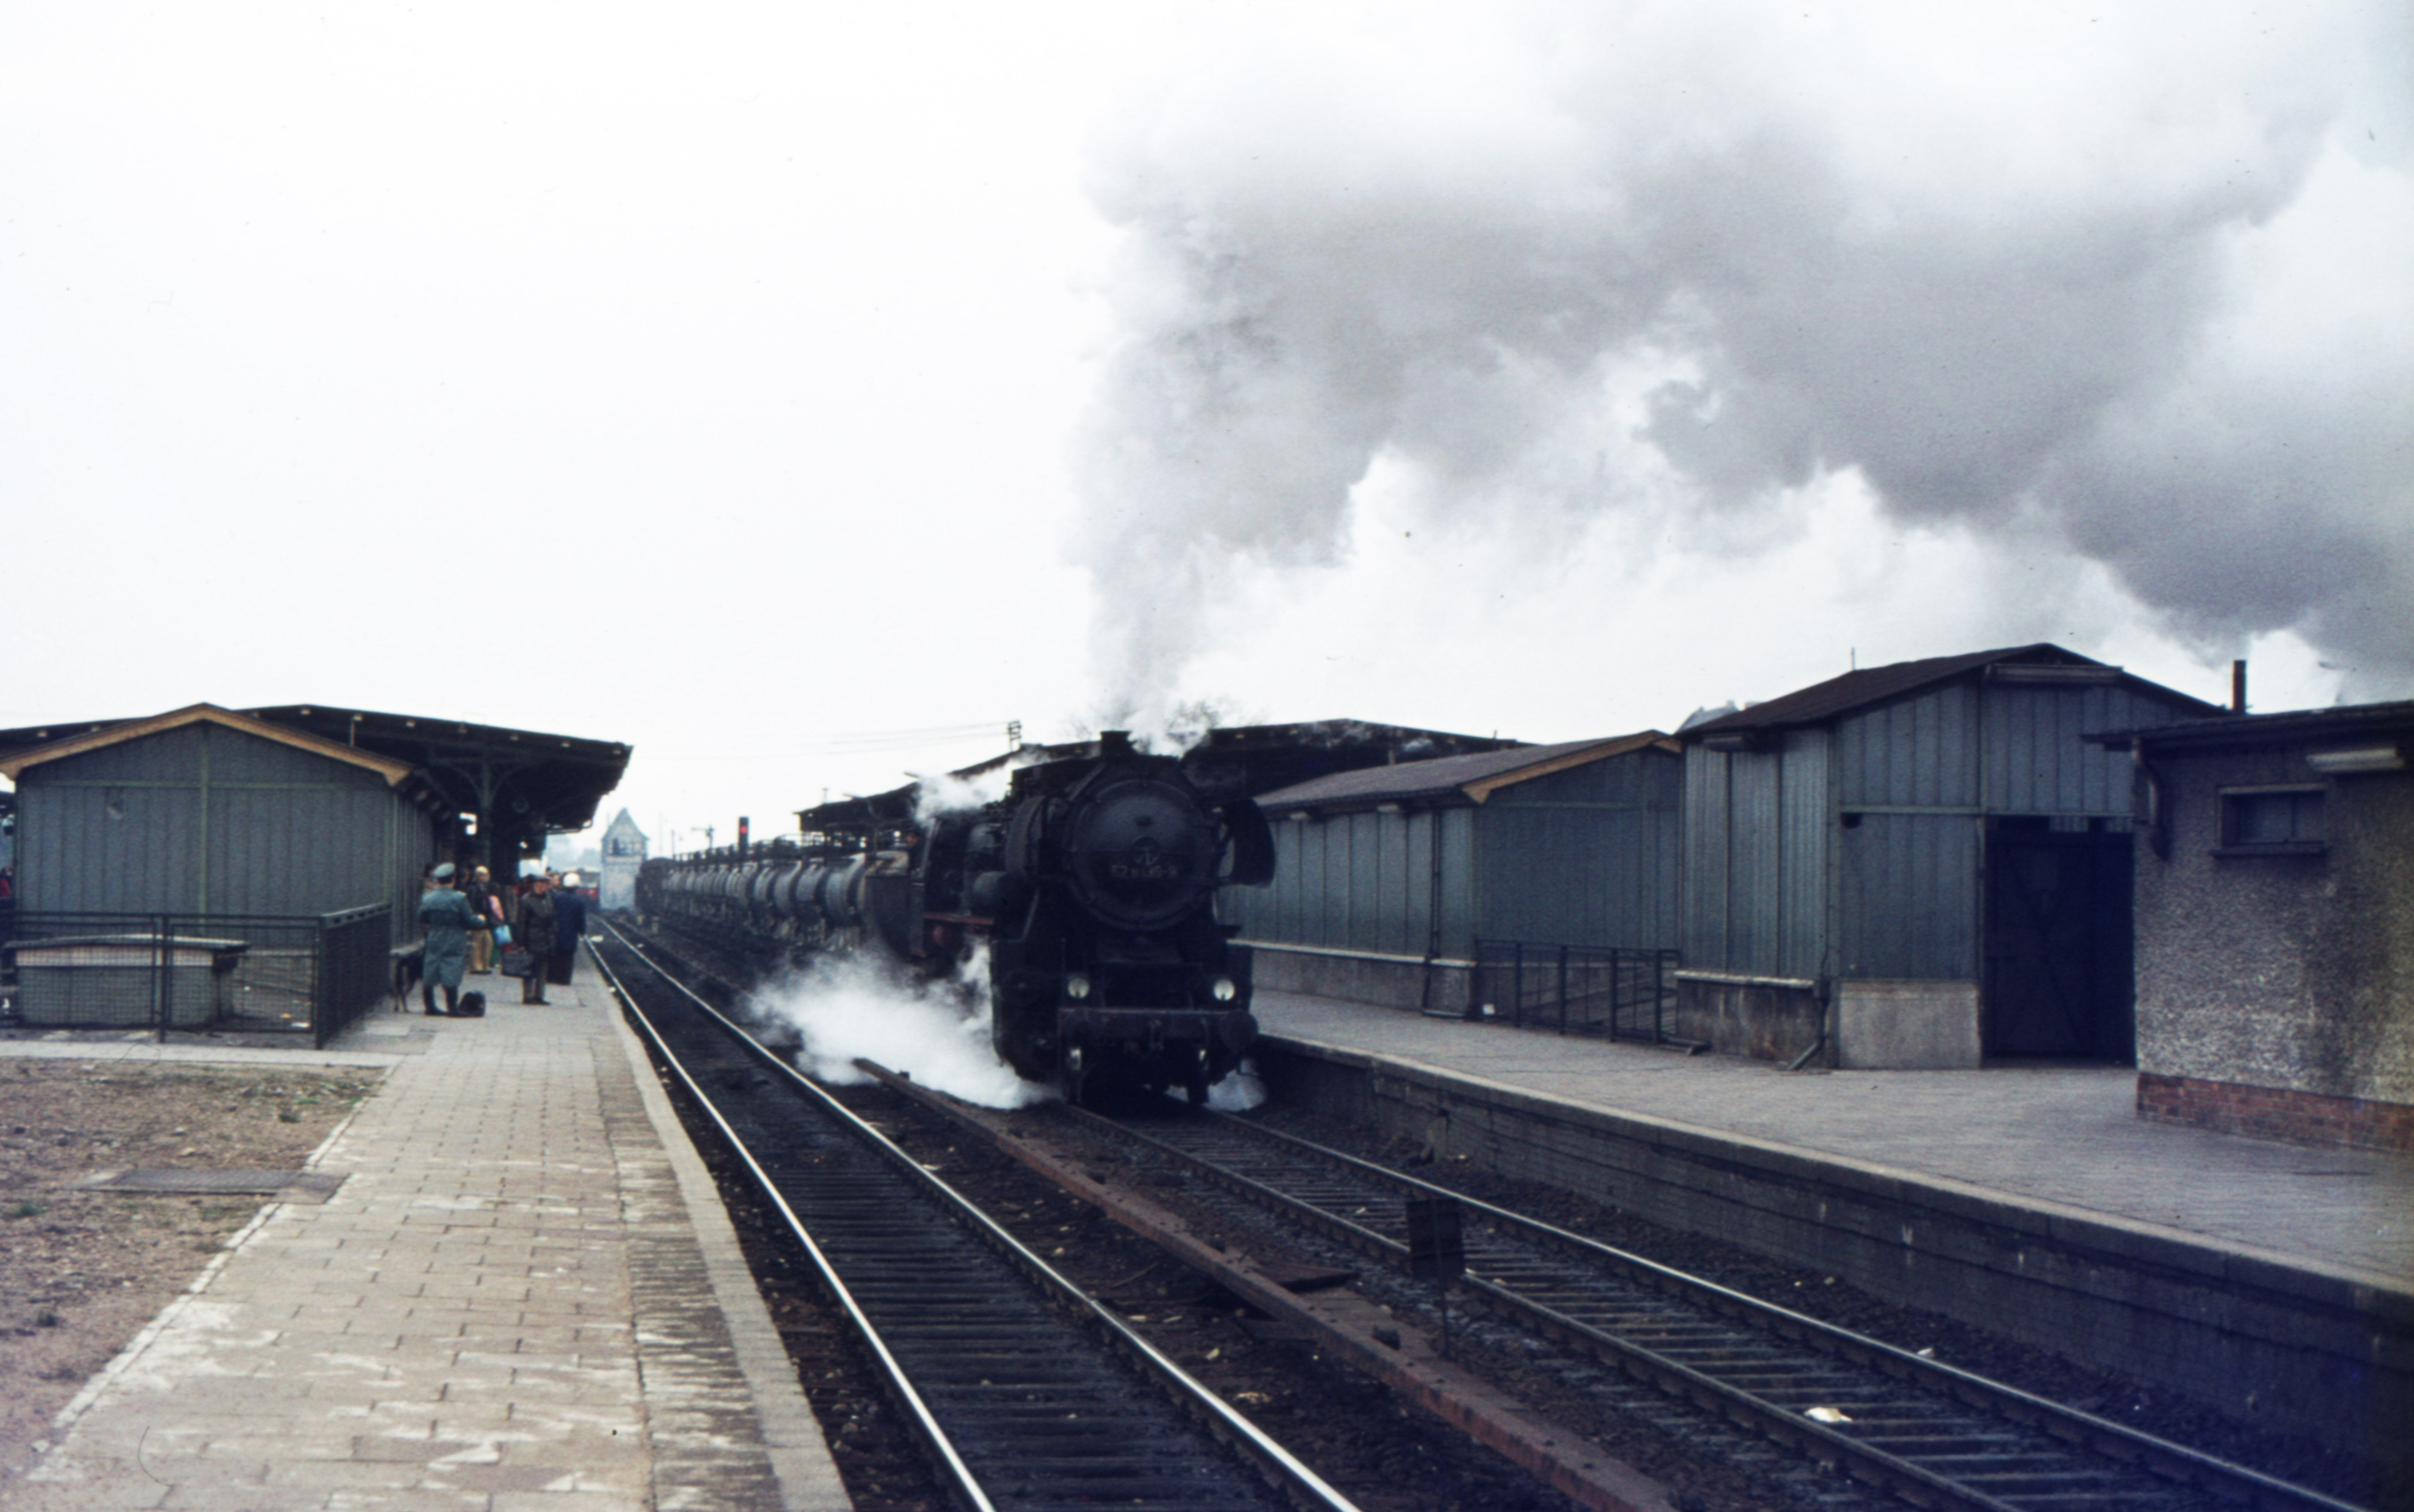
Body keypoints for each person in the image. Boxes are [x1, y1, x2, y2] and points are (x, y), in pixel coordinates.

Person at [416, 862, 487, 1016]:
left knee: (430, 969)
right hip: (454, 938)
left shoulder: (428, 898)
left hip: (434, 937)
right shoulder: (459, 898)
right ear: (453, 880)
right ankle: (452, 1008)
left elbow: (422, 917)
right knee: (452, 969)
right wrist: (481, 920)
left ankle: (430, 1007)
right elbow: (470, 921)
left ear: (438, 880)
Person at [515, 873, 558, 1004]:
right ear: (535, 885)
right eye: (540, 884)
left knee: (543, 969)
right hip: (532, 937)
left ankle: (539, 996)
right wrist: (521, 942)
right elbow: (521, 922)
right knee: (529, 967)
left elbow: (553, 917)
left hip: (546, 938)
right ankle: (528, 996)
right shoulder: (526, 900)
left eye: (545, 885)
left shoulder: (549, 899)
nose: (543, 887)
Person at [548, 870, 587, 988]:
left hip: (557, 930)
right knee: (568, 957)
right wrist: (582, 932)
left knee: (556, 954)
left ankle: (552, 977)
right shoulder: (579, 901)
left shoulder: (557, 898)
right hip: (571, 932)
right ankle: (564, 979)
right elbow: (581, 919)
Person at [463, 865, 500, 975]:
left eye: (485, 875)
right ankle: (476, 967)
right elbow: (472, 904)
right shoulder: (473, 889)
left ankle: (484, 965)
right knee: (477, 944)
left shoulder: (483, 889)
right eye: (482, 875)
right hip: (478, 920)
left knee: (488, 943)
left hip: (485, 921)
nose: (485, 878)